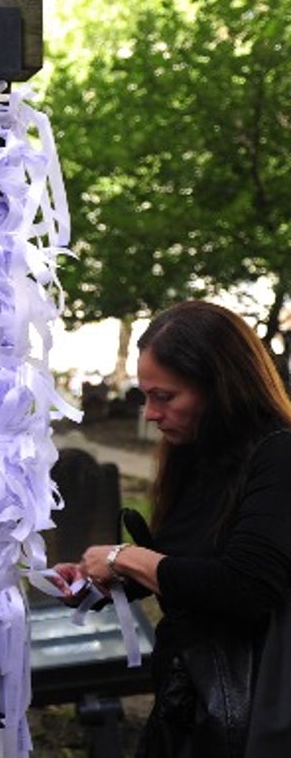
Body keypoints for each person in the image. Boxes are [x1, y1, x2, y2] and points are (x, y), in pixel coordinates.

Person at [52, 300, 291, 756]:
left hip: (248, 709)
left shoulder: (278, 457)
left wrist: (126, 558)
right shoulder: (196, 454)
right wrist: (102, 580)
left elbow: (245, 587)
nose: (150, 413)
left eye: (165, 397)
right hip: (188, 695)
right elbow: (186, 563)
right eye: (146, 396)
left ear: (221, 387)